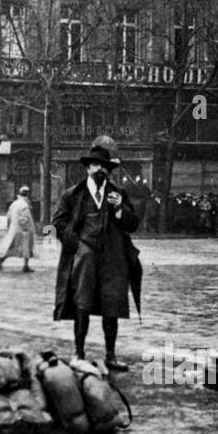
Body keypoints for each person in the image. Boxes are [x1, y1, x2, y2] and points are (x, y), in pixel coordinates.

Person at [52, 137, 140, 371]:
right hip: (85, 258)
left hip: (112, 259)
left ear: (109, 170)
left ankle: (110, 355)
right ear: (88, 167)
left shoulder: (118, 193)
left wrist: (120, 208)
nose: (100, 170)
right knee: (82, 303)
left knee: (112, 305)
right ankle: (79, 353)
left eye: (104, 166)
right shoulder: (72, 195)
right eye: (96, 165)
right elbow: (57, 223)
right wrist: (77, 245)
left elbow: (133, 224)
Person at [0, 186, 37, 272]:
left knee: (12, 247)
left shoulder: (14, 204)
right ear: (27, 194)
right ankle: (25, 266)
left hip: (14, 229)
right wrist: (27, 228)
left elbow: (8, 216)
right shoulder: (24, 204)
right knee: (26, 247)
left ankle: (2, 259)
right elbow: (24, 217)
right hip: (23, 230)